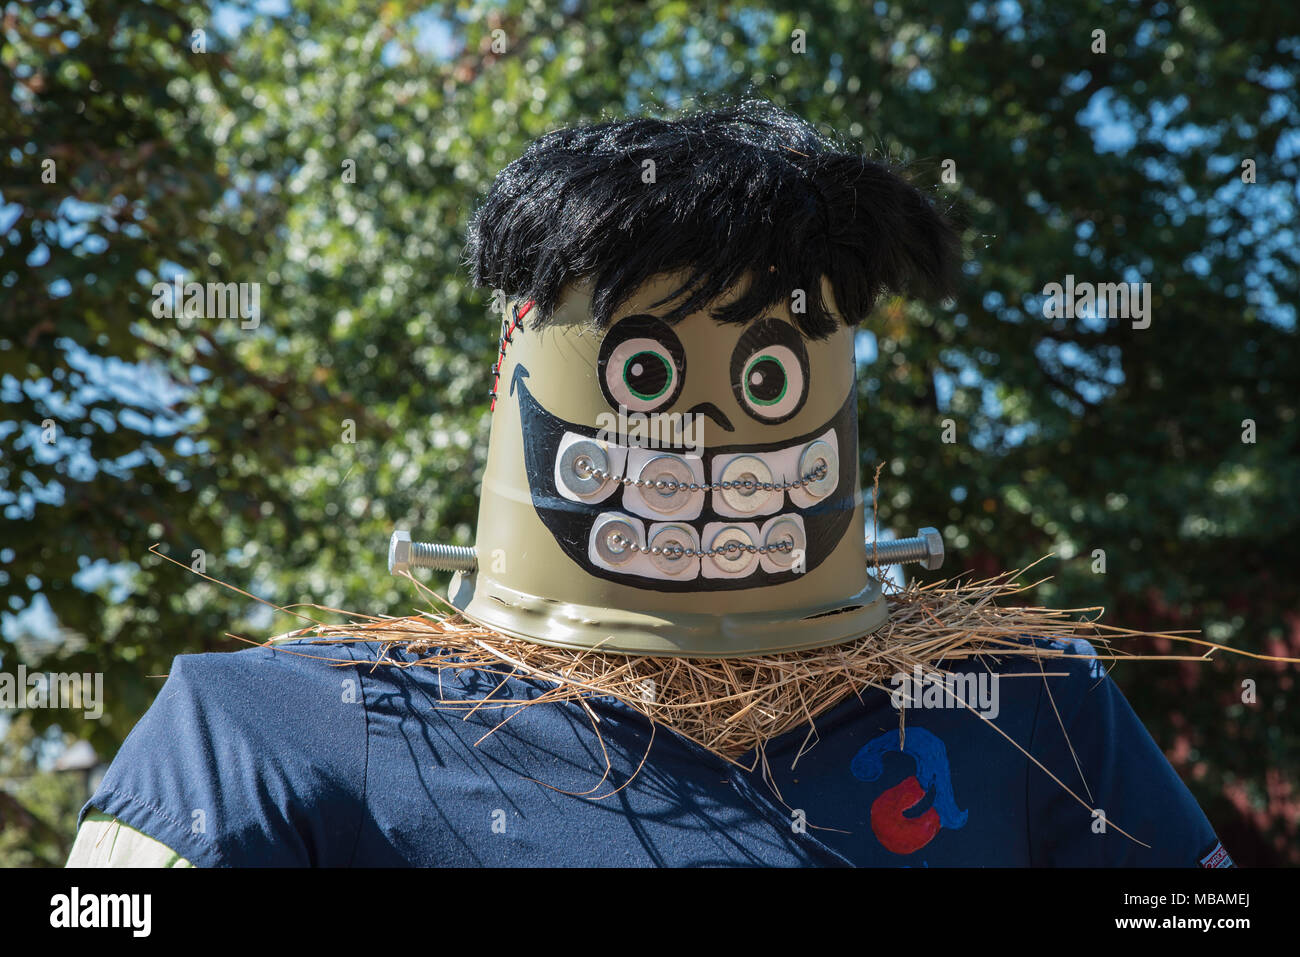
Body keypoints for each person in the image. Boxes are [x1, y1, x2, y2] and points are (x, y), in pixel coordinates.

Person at [67, 101, 1232, 868]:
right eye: (642, 369)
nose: (706, 429)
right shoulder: (265, 733)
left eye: (770, 370)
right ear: (508, 384)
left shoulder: (1035, 715)